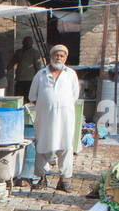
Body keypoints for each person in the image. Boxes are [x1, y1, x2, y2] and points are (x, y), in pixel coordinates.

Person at [26, 43, 80, 190]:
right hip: (45, 117)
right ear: (51, 57)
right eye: (56, 55)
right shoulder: (41, 74)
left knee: (65, 146)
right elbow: (33, 96)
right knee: (42, 145)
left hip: (65, 118)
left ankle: (63, 180)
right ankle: (42, 178)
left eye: (61, 55)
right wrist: (48, 105)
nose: (58, 57)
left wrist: (60, 104)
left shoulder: (71, 74)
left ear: (65, 58)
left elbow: (74, 96)